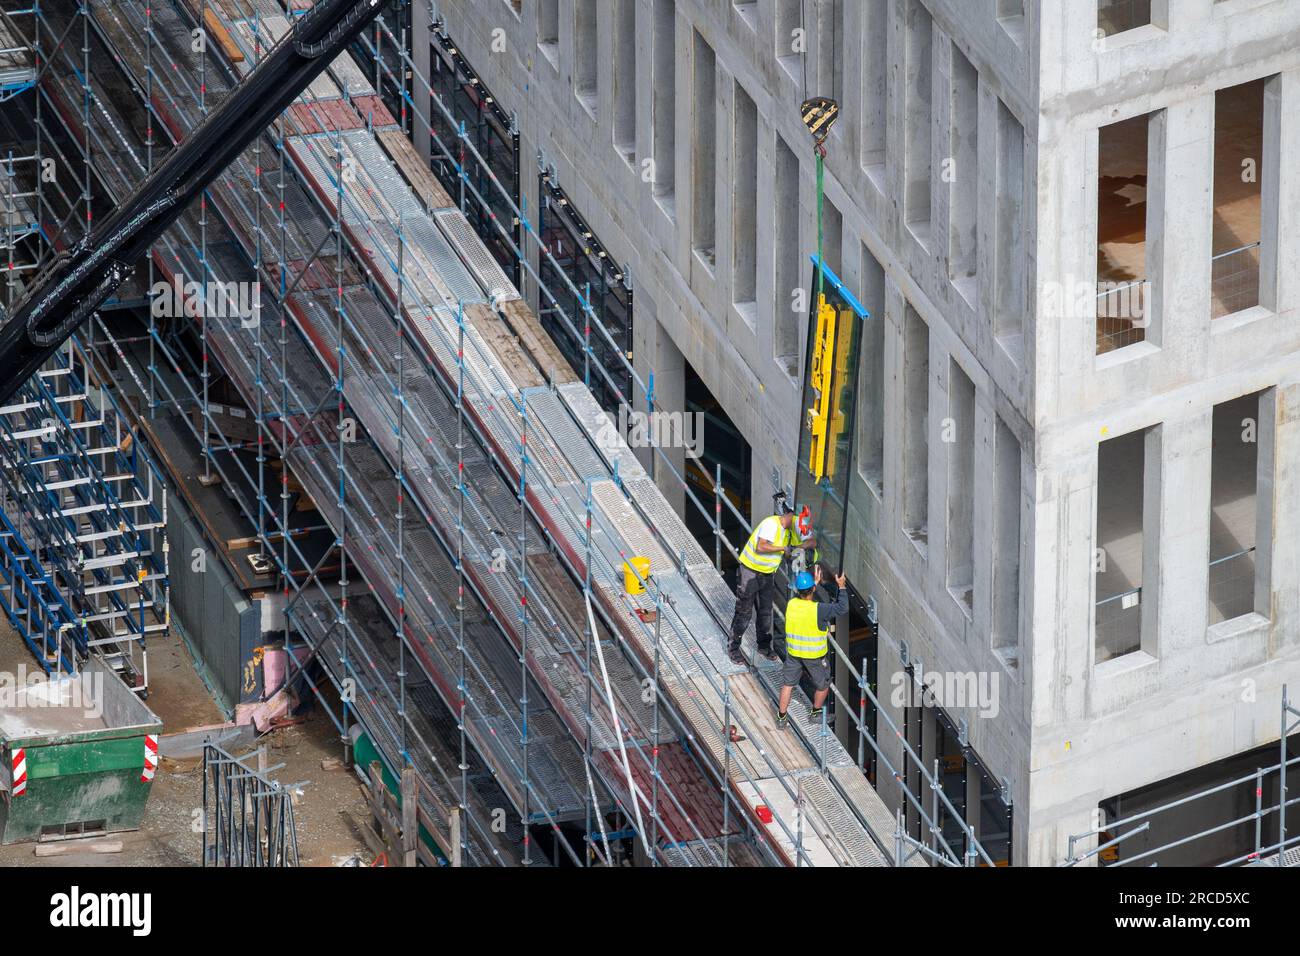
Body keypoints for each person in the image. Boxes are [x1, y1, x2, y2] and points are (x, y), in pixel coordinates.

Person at [728, 500, 815, 666]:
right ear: (790, 515)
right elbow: (761, 547)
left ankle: (764, 646)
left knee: (765, 613)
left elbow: (812, 542)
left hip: (767, 575)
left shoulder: (790, 531)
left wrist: (796, 546)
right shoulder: (771, 524)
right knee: (744, 613)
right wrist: (783, 548)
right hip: (750, 572)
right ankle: (733, 648)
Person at [776, 565, 846, 728]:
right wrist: (841, 586)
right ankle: (815, 713)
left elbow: (802, 596)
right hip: (814, 657)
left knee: (788, 684)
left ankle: (781, 717)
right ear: (813, 589)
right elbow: (843, 608)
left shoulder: (792, 604)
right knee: (823, 685)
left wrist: (812, 584)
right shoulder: (819, 609)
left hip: (794, 653)